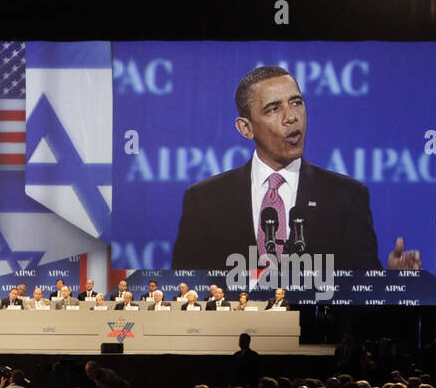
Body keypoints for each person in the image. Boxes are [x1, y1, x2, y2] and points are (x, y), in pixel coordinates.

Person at [172, 65, 415, 272]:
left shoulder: (347, 196)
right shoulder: (204, 199)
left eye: (296, 103)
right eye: (274, 108)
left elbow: (362, 294)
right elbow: (184, 288)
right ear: (246, 128)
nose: (292, 117)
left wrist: (393, 283)